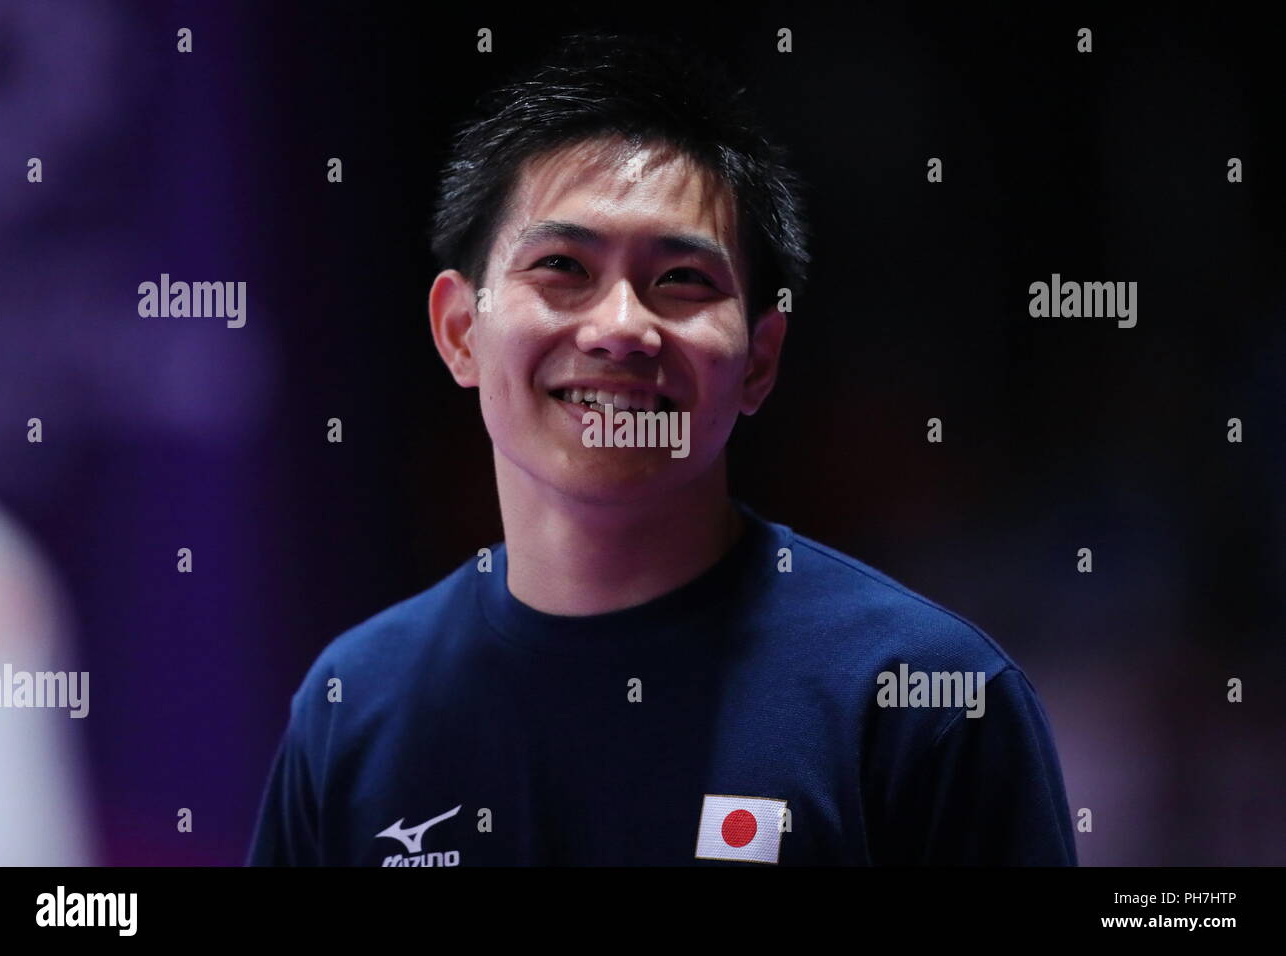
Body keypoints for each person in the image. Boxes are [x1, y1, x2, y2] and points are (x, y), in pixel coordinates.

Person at [247, 31, 1077, 866]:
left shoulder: (923, 701)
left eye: (682, 280)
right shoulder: (355, 706)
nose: (620, 329)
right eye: (564, 265)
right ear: (461, 331)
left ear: (759, 360)